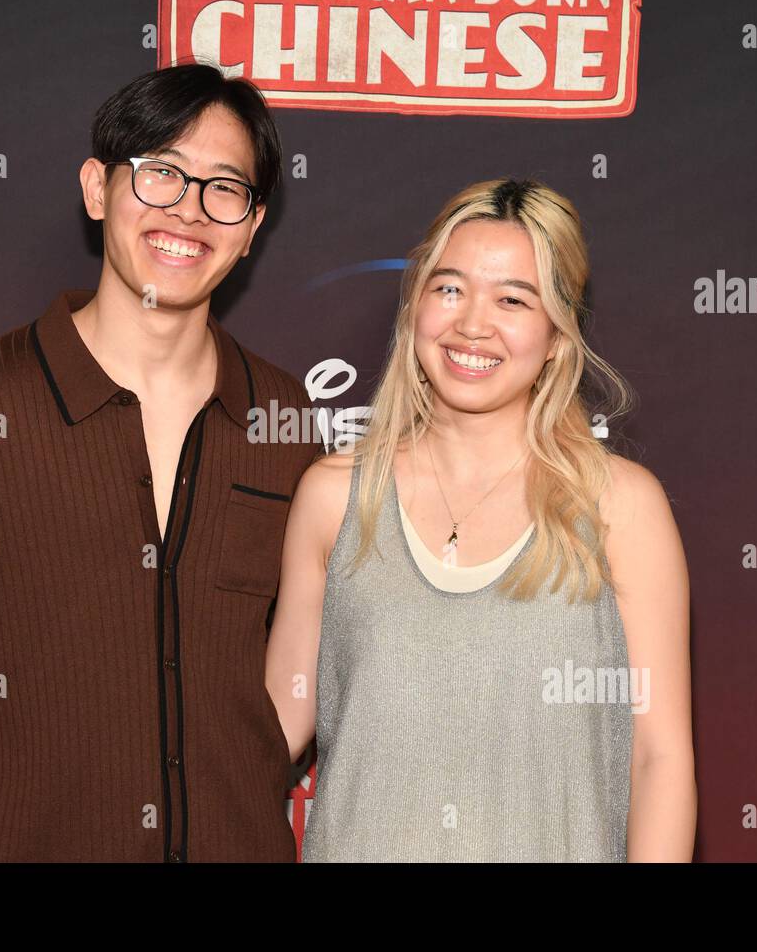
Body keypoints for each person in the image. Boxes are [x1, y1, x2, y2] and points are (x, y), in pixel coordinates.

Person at [0, 63, 318, 862]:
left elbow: (296, 658)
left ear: (253, 222)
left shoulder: (283, 417)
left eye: (223, 188)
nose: (188, 211)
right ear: (98, 189)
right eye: (161, 173)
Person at [265, 178, 696, 861]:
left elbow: (661, 758)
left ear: (558, 335)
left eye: (514, 299)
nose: (472, 324)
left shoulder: (618, 506)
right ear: (415, 308)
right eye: (450, 288)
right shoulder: (335, 496)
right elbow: (274, 725)